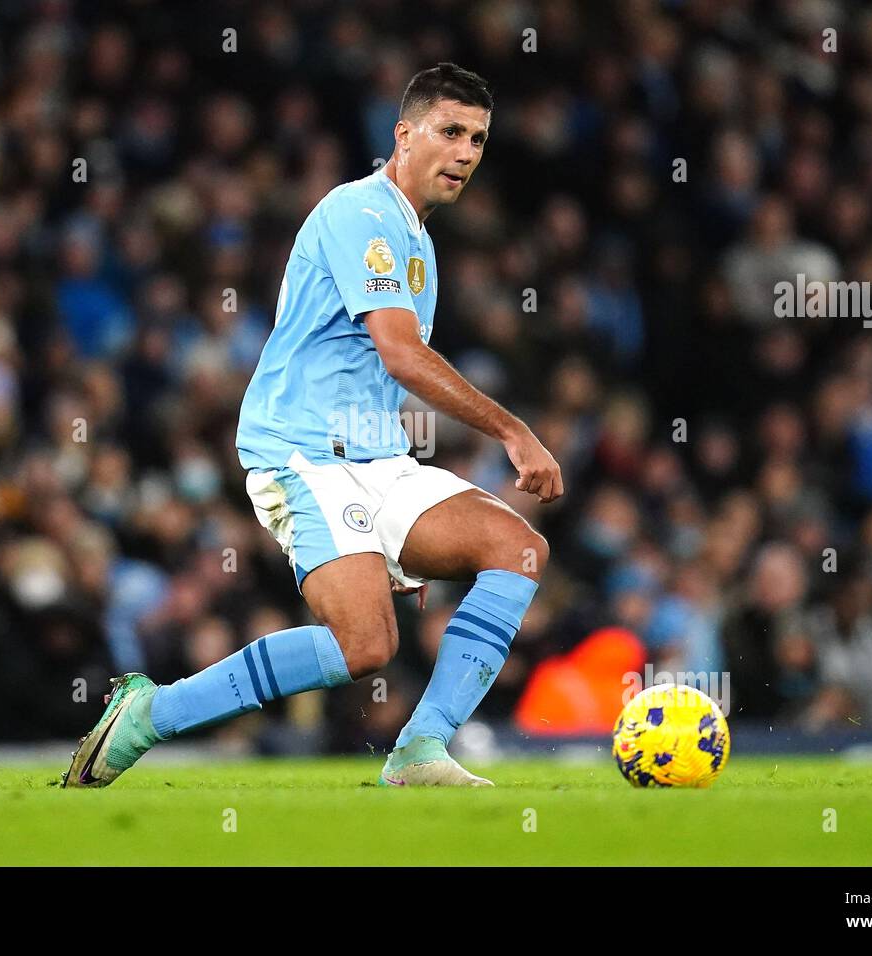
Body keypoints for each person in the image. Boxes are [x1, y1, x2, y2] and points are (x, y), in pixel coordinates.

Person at [63, 62, 563, 789]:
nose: (465, 152)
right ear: (404, 134)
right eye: (450, 131)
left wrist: (391, 534)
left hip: (377, 460)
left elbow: (377, 370)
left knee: (516, 547)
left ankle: (421, 750)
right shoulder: (359, 214)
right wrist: (514, 432)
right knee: (365, 646)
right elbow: (399, 353)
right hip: (303, 454)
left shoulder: (417, 240)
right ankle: (150, 713)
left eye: (479, 139)